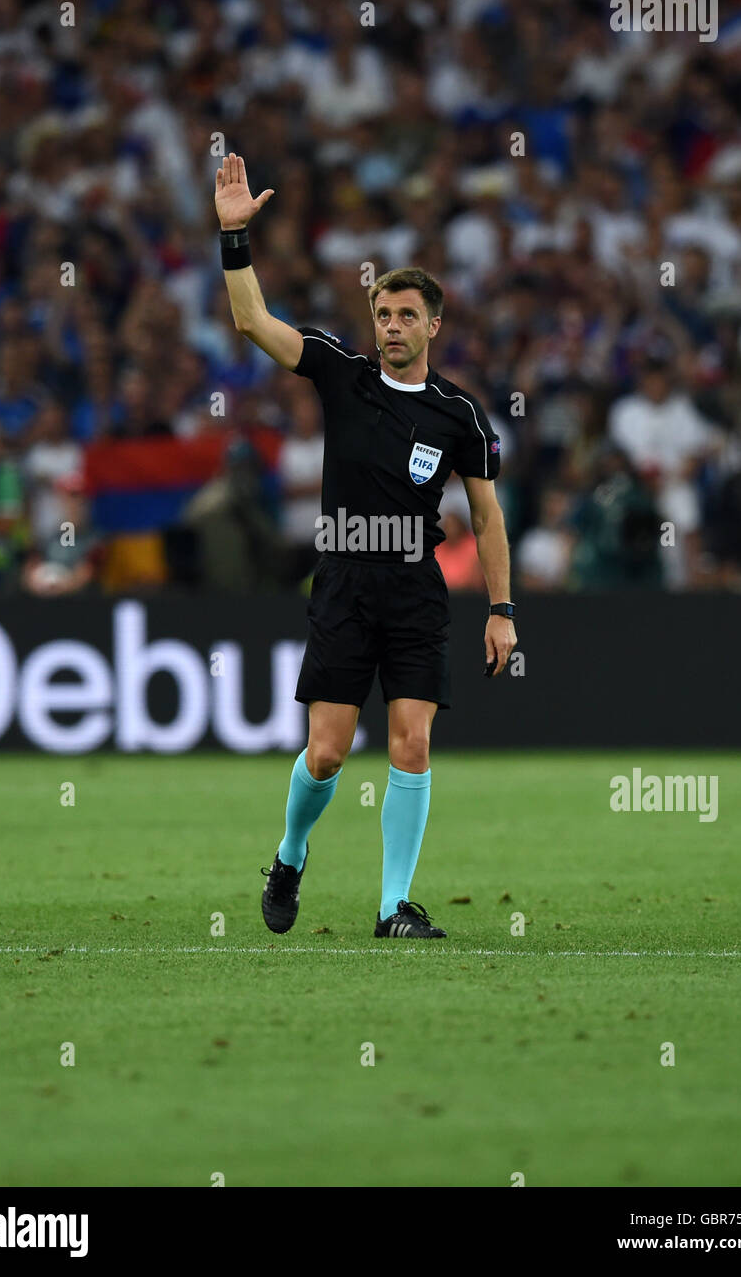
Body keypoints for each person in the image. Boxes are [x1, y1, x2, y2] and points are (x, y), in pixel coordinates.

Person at [215, 152, 517, 940]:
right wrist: (234, 239)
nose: (390, 328)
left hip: (415, 586)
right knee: (326, 753)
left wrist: (501, 609)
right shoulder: (341, 376)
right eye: (382, 315)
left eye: (405, 316)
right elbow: (252, 322)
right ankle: (289, 855)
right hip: (345, 579)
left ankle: (392, 908)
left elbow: (485, 518)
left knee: (411, 742)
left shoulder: (460, 417)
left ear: (432, 325)